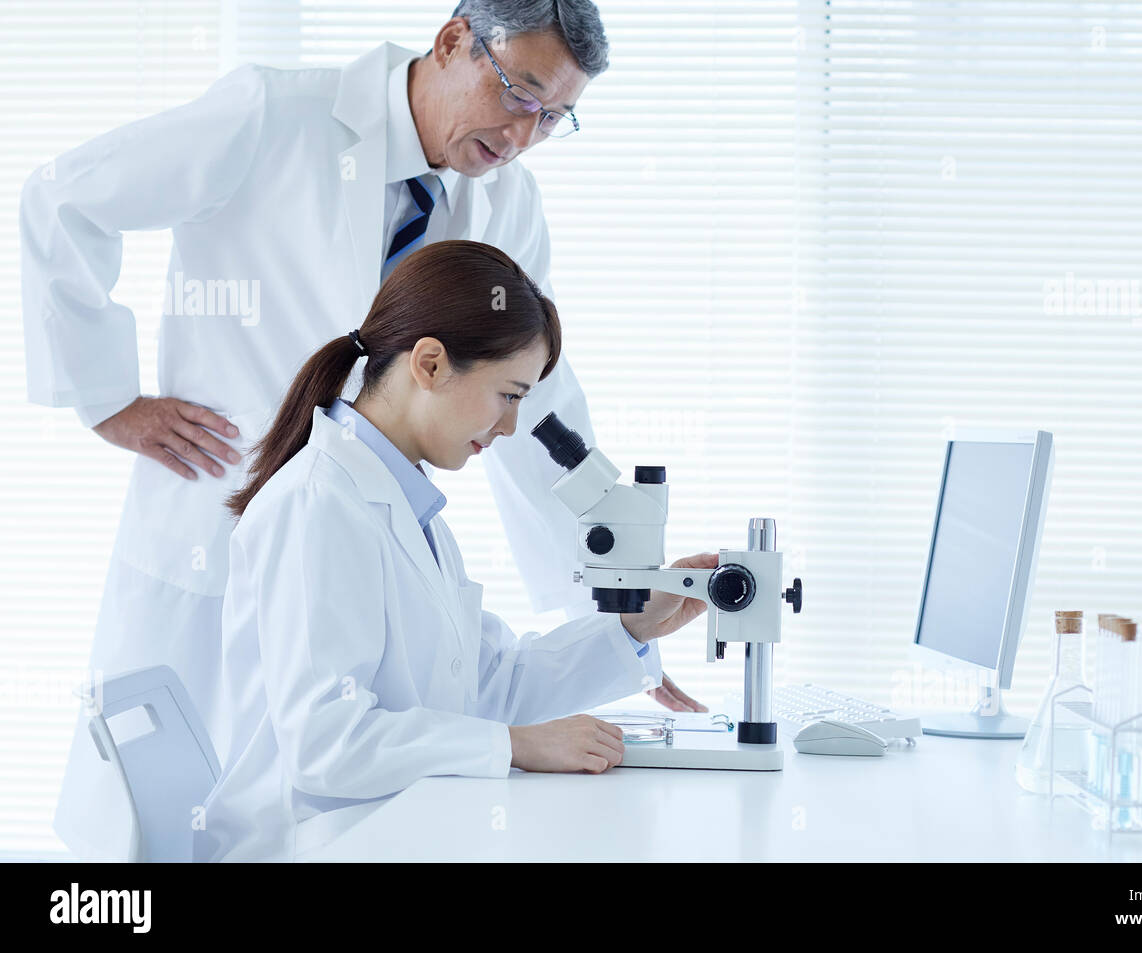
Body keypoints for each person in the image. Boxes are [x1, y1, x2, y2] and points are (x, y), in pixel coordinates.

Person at [20, 0, 701, 860]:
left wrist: (617, 611)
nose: (525, 137)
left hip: (357, 526)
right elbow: (62, 198)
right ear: (455, 39)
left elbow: (537, 408)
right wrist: (105, 395)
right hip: (211, 533)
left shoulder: (505, 205)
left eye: (554, 118)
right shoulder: (274, 116)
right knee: (172, 830)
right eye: (519, 94)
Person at [194, 241, 715, 862]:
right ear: (431, 365)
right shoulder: (319, 504)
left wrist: (631, 627)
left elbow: (485, 683)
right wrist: (513, 746)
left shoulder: (409, 507)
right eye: (510, 394)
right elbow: (326, 744)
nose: (511, 427)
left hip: (392, 827)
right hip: (309, 842)